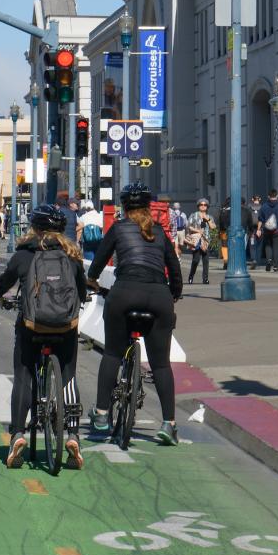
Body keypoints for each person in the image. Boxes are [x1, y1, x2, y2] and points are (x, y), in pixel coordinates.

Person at [0, 204, 88, 470]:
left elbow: (4, 283)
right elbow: (82, 292)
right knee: (68, 375)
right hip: (64, 328)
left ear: (35, 227)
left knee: (24, 376)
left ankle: (18, 434)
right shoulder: (71, 254)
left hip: (32, 327)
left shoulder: (24, 254)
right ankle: (73, 434)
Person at [86, 182, 185, 445]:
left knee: (112, 354)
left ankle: (102, 414)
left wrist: (92, 280)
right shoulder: (160, 232)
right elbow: (174, 270)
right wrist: (174, 293)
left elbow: (97, 264)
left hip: (124, 293)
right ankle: (169, 424)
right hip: (158, 297)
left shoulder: (118, 228)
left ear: (124, 207)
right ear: (147, 206)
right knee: (161, 364)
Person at [256, 190, 278, 272]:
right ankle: (275, 266)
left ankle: (268, 261)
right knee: (276, 248)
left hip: (267, 230)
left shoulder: (263, 206)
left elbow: (260, 219)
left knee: (268, 246)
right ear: (277, 196)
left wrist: (258, 229)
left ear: (268, 196)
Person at [184, 198, 216, 285]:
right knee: (196, 260)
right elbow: (188, 226)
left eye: (205, 205)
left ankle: (205, 279)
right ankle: (191, 276)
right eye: (201, 204)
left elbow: (213, 227)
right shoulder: (194, 215)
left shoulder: (209, 217)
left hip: (206, 240)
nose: (203, 206)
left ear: (207, 207)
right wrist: (197, 231)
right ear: (198, 206)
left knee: (206, 260)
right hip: (196, 240)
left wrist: (208, 220)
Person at [247, 196, 263, 269]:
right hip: (261, 228)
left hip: (251, 229)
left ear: (252, 199)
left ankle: (253, 259)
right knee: (259, 245)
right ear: (259, 199)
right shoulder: (262, 207)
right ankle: (258, 260)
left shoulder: (249, 207)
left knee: (252, 245)